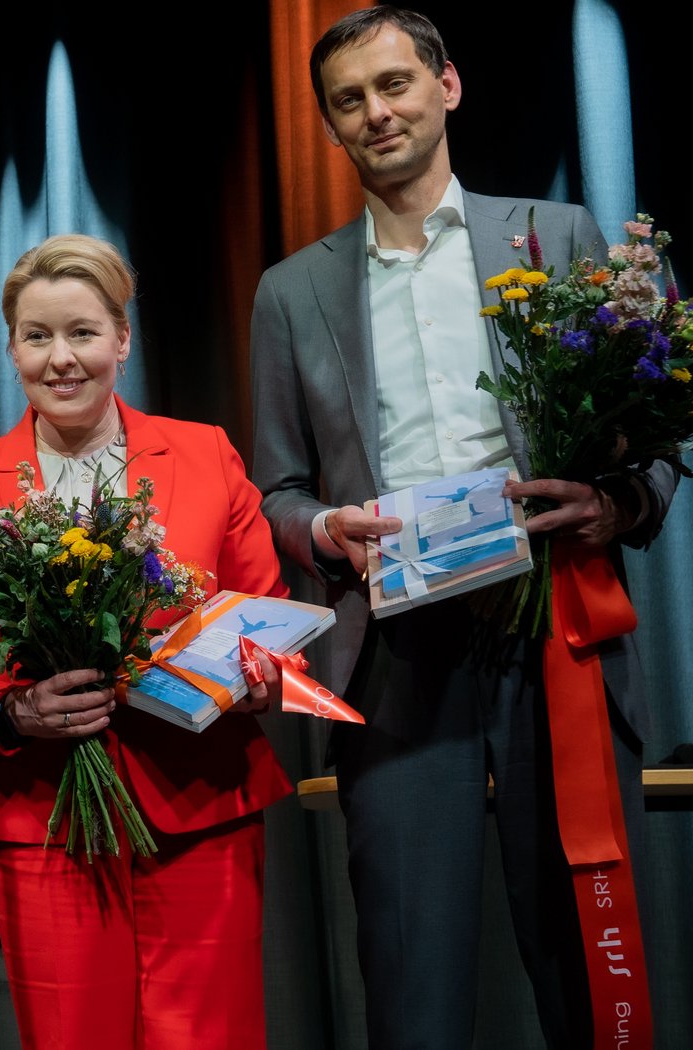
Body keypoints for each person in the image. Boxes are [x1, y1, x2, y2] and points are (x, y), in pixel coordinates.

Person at [250, 9, 677, 1047]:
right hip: (394, 655)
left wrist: (613, 503)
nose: (375, 112)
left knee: (584, 948)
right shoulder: (290, 290)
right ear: (330, 128)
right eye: (348, 101)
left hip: (553, 635)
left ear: (446, 87)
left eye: (392, 84)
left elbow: (650, 438)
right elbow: (278, 491)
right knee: (409, 978)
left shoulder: (559, 236)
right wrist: (322, 531)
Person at [0, 234, 292, 1050]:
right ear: (11, 349)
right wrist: (15, 712)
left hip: (201, 806)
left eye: (82, 332)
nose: (61, 358)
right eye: (37, 336)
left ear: (122, 338)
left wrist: (263, 673)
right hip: (46, 820)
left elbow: (268, 613)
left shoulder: (203, 453)